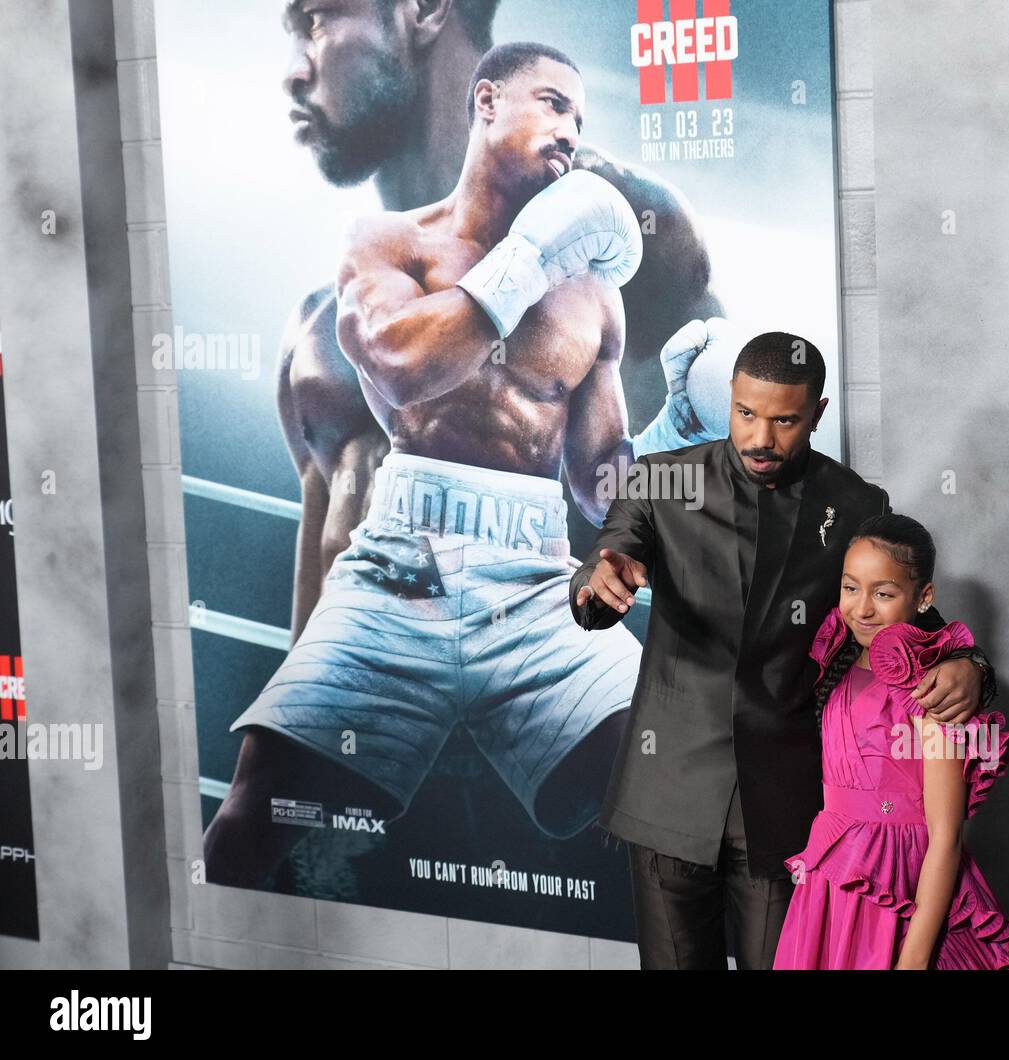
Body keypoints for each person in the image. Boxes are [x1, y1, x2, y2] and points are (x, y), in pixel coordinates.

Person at [203, 42, 722, 886]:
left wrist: (680, 433)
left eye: (581, 120)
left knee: (679, 775)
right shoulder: (387, 244)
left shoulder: (593, 296)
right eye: (552, 104)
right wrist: (525, 259)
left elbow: (600, 488)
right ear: (485, 103)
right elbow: (406, 367)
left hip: (535, 586)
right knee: (254, 816)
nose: (570, 132)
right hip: (399, 570)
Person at [276, 0, 725, 633]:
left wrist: (678, 430)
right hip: (384, 695)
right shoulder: (322, 336)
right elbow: (315, 624)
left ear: (425, 10)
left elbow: (635, 494)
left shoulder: (627, 245)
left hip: (561, 683)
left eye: (316, 20)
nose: (294, 72)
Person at [568, 331, 998, 969]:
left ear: (818, 414)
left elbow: (904, 616)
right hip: (667, 792)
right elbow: (608, 559)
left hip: (785, 805)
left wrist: (973, 668)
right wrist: (595, 585)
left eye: (783, 420)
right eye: (745, 414)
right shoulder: (662, 480)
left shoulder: (854, 504)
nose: (760, 439)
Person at [772, 513, 1009, 969]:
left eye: (884, 593)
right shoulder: (839, 663)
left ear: (924, 596)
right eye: (851, 588)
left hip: (905, 887)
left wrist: (912, 960)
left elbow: (946, 836)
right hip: (831, 888)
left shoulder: (931, 689)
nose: (863, 608)